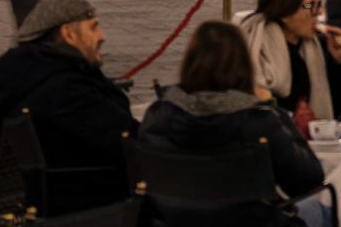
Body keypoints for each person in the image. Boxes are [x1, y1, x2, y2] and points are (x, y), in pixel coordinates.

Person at [139, 21, 326, 227]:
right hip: (252, 222)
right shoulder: (258, 122)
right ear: (244, 67)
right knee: (320, 210)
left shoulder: (157, 116)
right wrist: (274, 109)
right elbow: (308, 180)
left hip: (175, 221)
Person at [0, 0, 136, 214]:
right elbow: (127, 141)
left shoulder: (22, 75)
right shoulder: (67, 89)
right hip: (93, 202)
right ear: (68, 34)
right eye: (93, 28)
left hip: (49, 198)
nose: (102, 36)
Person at [239, 0, 341, 120]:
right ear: (285, 13)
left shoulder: (312, 49)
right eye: (310, 6)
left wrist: (338, 61)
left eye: (318, 4)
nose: (319, 12)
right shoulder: (256, 49)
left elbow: (334, 109)